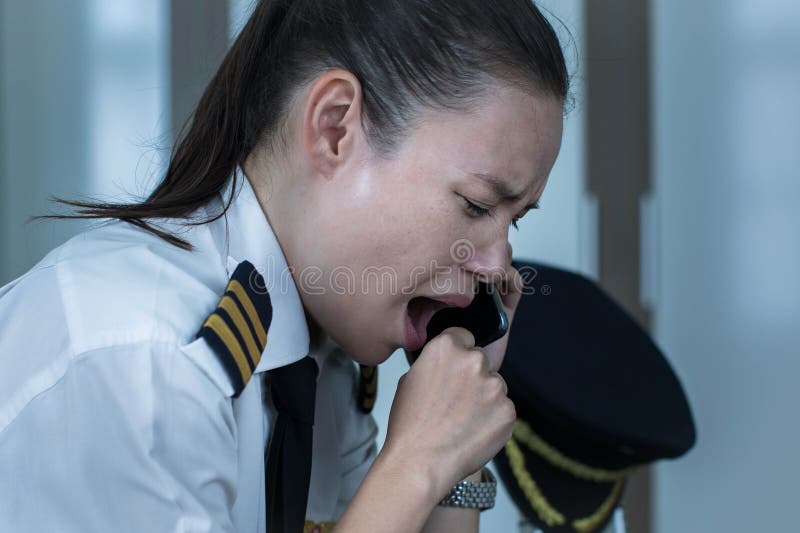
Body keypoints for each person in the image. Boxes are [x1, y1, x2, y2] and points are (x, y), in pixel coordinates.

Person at [0, 1, 569, 531]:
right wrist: (415, 467)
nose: (498, 264)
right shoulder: (139, 359)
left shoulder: (316, 364)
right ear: (334, 127)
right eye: (475, 204)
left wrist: (455, 452)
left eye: (512, 221)